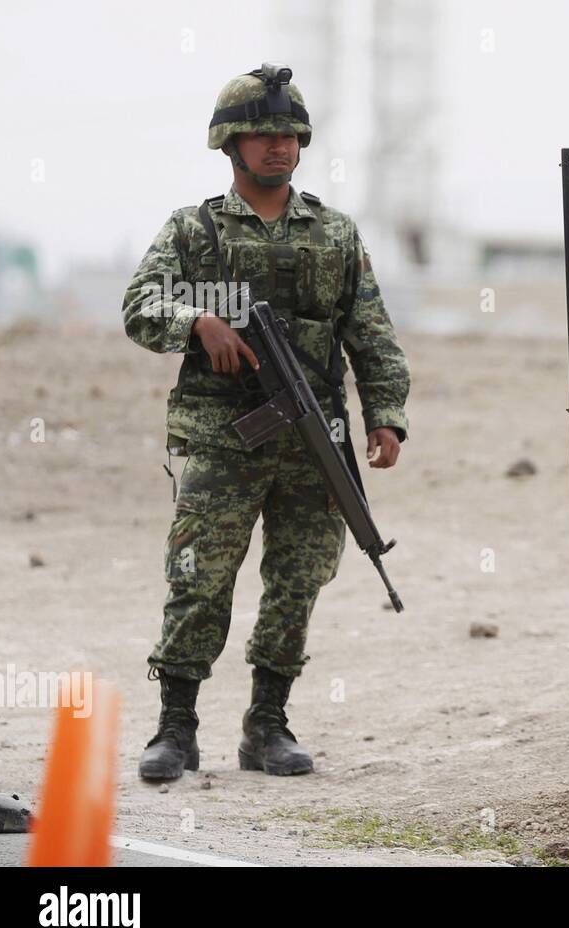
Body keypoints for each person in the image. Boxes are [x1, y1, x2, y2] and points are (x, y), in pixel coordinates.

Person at [122, 63, 410, 780]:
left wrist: (387, 416)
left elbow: (370, 333)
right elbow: (138, 307)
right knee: (200, 576)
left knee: (298, 578)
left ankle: (267, 724)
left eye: (288, 135)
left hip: (316, 439)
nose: (278, 147)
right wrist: (198, 323)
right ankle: (176, 729)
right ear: (231, 144)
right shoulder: (194, 232)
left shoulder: (335, 234)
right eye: (263, 135)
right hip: (221, 437)